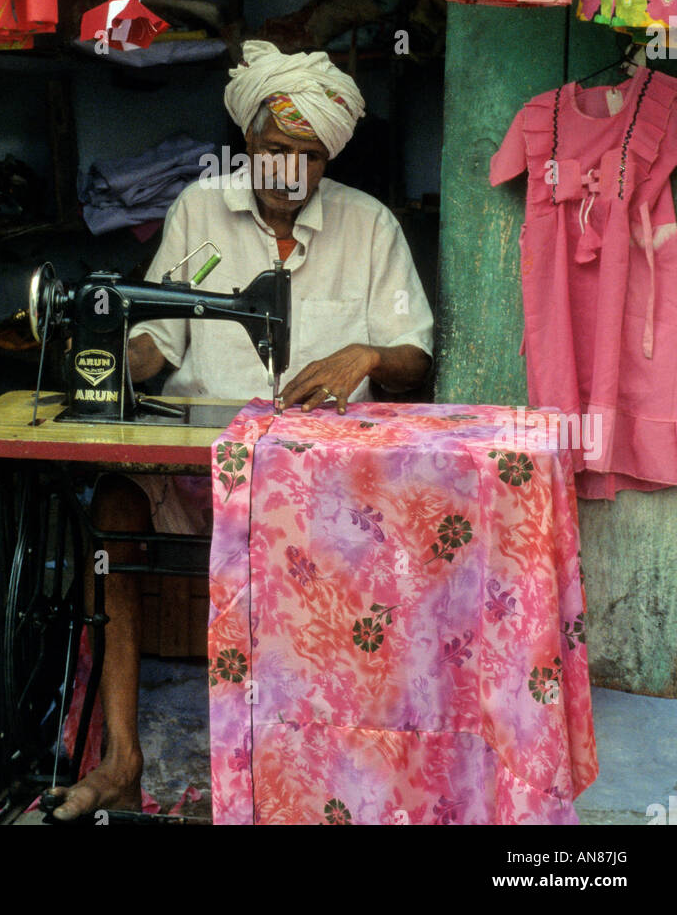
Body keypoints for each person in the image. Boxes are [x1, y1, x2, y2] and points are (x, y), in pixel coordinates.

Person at [47, 40, 433, 819]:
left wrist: (364, 352)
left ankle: (335, 775)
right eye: (270, 149)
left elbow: (414, 358)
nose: (287, 169)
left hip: (322, 491)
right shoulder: (198, 211)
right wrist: (119, 353)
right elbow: (162, 336)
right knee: (113, 509)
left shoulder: (371, 227)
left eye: (306, 154)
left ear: (328, 158)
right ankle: (122, 761)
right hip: (197, 476)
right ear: (246, 145)